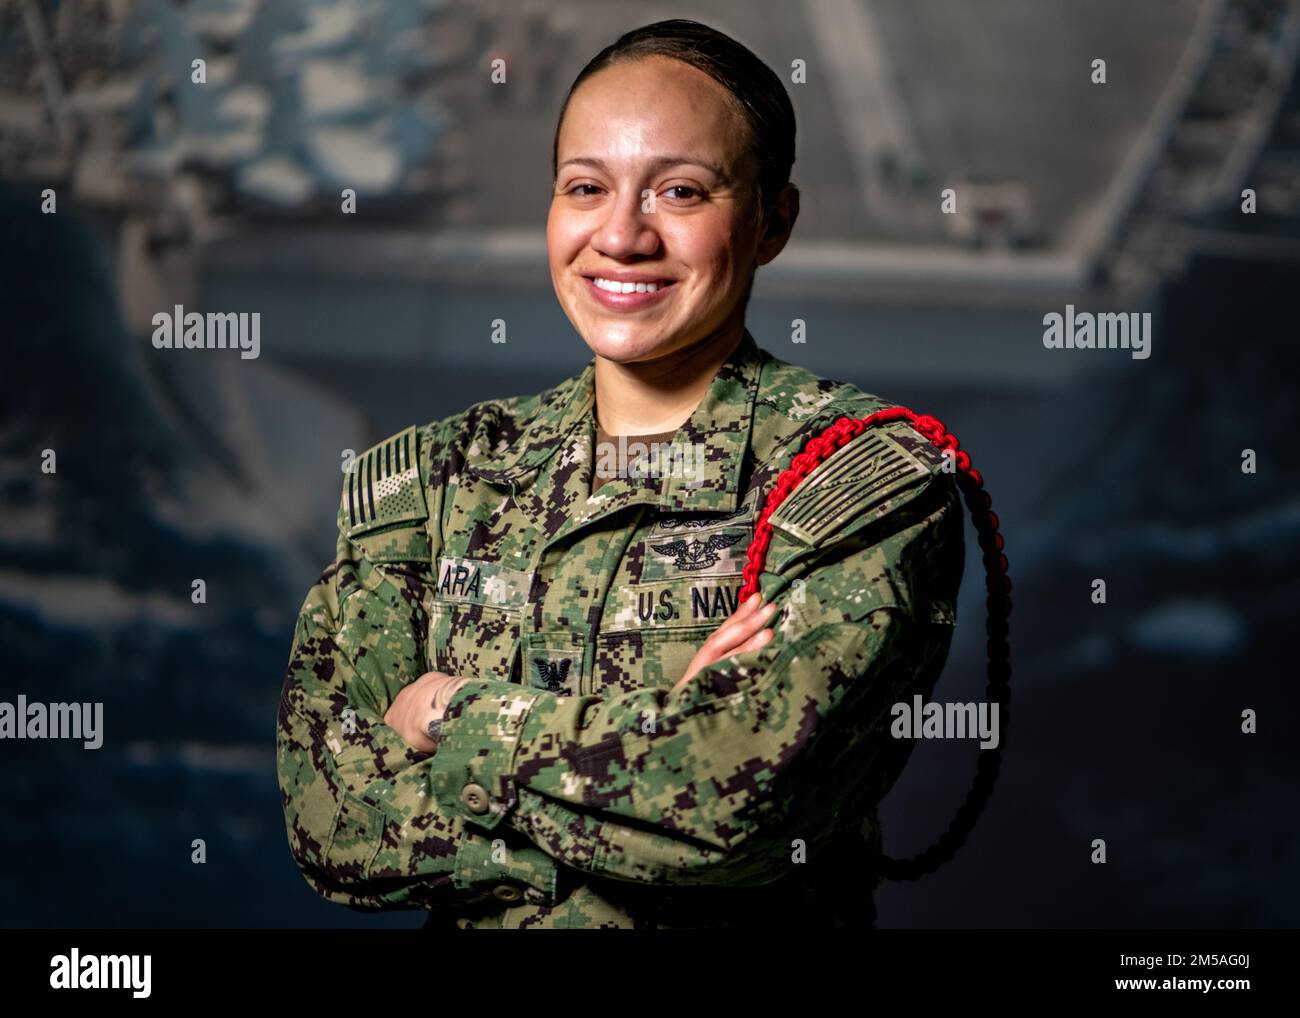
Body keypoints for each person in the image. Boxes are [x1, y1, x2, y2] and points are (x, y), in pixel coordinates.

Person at [276, 19, 964, 929]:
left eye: (681, 191)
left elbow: (731, 809)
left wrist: (450, 715)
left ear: (774, 222)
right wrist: (648, 741)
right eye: (585, 188)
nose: (622, 236)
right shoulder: (438, 478)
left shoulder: (857, 481)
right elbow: (334, 826)